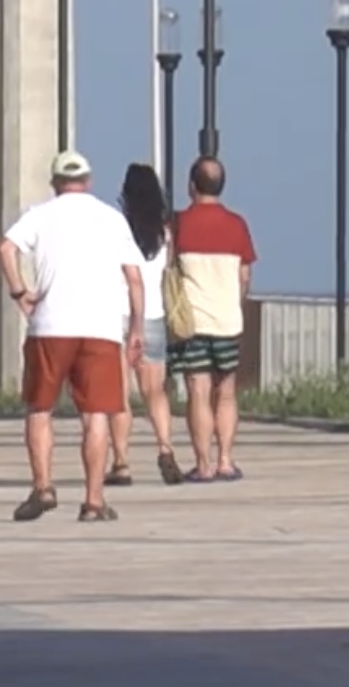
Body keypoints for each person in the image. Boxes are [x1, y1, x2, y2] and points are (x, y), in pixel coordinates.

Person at [0, 151, 146, 524]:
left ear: (54, 182)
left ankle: (43, 487)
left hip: (49, 325)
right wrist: (137, 329)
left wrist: (19, 291)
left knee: (39, 408)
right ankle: (94, 501)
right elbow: (134, 279)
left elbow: (6, 248)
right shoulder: (112, 220)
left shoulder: (40, 215)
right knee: (95, 415)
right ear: (89, 180)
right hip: (100, 328)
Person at [170, 156, 257, 482]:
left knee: (198, 389)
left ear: (191, 185)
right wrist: (236, 302)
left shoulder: (178, 224)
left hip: (192, 322)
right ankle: (225, 460)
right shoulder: (237, 225)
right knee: (227, 391)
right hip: (227, 320)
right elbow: (245, 274)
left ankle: (203, 464)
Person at [107, 162, 185, 487]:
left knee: (119, 395)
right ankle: (166, 448)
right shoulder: (165, 234)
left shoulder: (116, 229)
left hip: (116, 317)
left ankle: (122, 462)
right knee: (155, 391)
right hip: (152, 316)